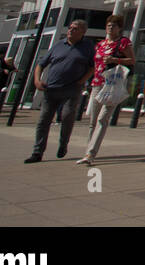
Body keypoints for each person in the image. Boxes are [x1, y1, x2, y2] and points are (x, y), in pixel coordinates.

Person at [25, 20, 95, 163]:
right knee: (43, 120)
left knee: (67, 117)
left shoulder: (88, 47)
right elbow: (41, 64)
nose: (70, 30)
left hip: (72, 89)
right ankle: (37, 152)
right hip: (51, 89)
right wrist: (37, 80)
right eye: (70, 28)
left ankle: (63, 144)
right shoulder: (58, 45)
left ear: (83, 32)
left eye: (75, 29)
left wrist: (82, 80)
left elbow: (93, 66)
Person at [76, 16, 134, 166]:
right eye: (108, 25)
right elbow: (93, 65)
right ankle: (87, 151)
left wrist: (115, 60)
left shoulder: (123, 43)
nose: (110, 28)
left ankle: (91, 154)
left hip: (112, 84)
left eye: (114, 25)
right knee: (93, 121)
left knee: (103, 119)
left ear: (119, 28)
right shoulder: (100, 44)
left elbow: (132, 60)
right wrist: (84, 81)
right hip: (97, 84)